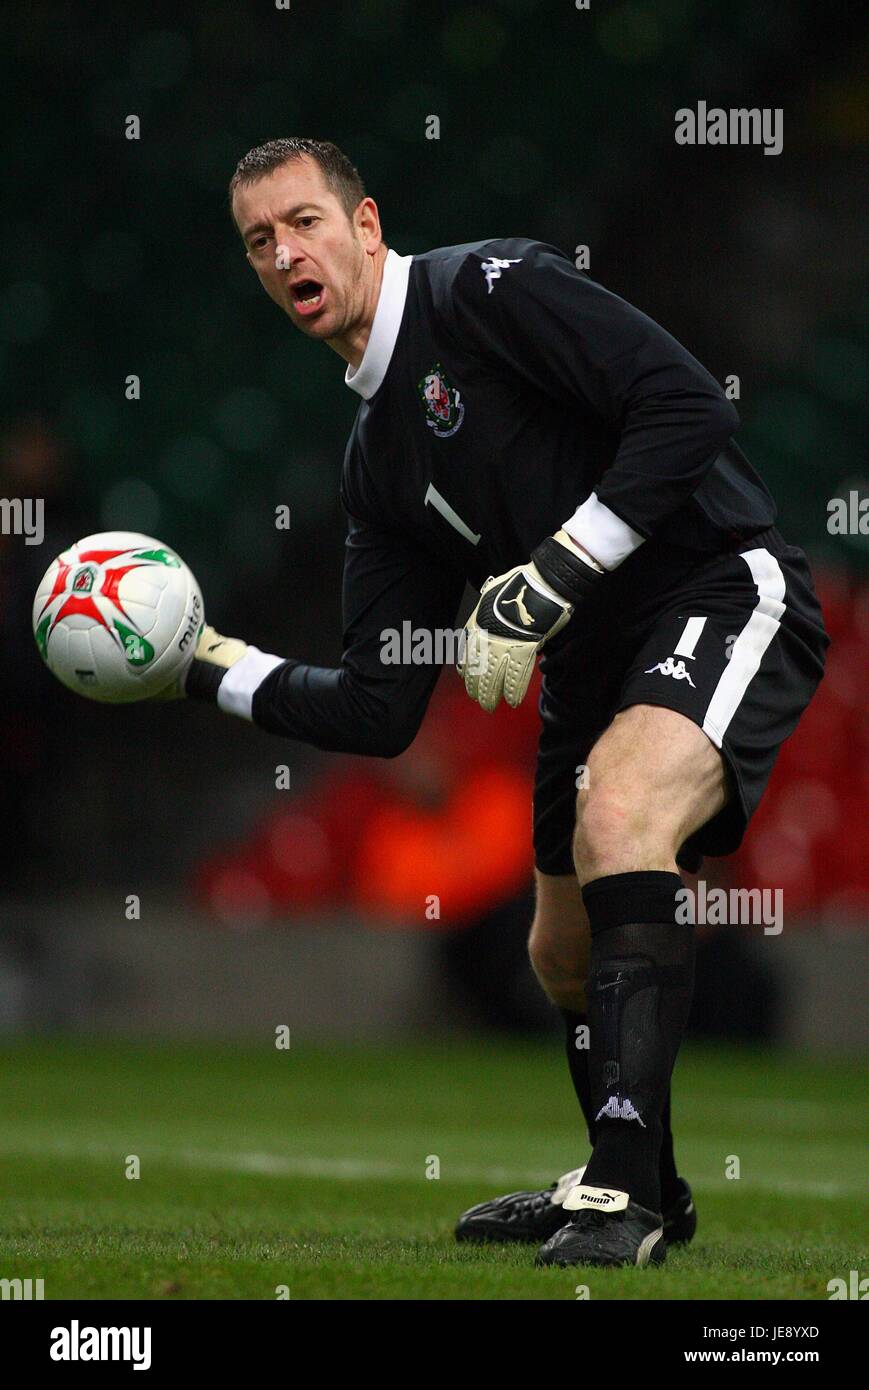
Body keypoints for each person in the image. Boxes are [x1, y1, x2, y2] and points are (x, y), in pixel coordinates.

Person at [174, 137, 829, 1268]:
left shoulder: (488, 286)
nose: (285, 252)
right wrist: (199, 663)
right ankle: (645, 1186)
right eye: (257, 241)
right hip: (589, 663)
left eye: (303, 222)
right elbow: (381, 707)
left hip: (717, 586)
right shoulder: (376, 459)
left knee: (620, 815)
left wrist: (557, 569)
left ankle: (617, 1191)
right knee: (560, 951)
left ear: (365, 225)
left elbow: (685, 408)